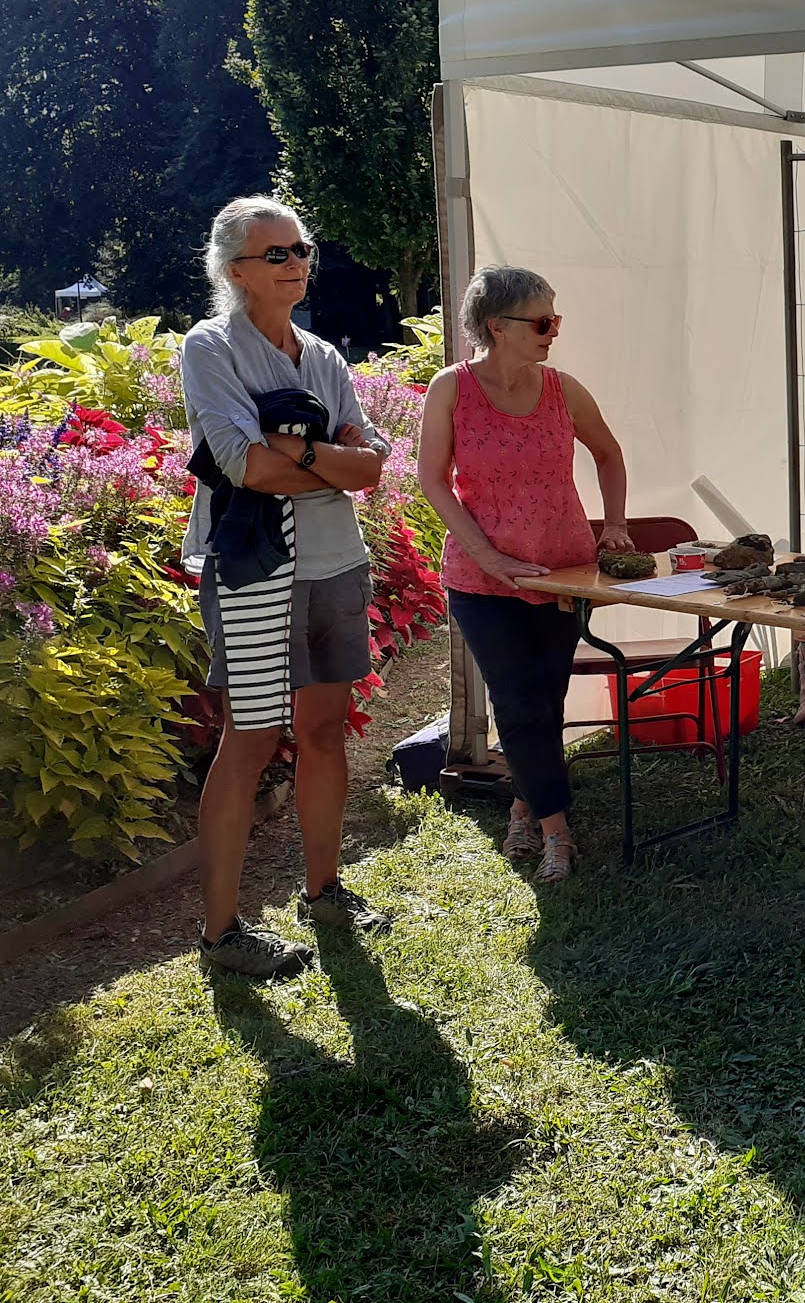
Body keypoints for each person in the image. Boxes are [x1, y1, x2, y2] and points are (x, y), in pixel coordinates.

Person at [181, 196, 393, 978]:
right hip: (254, 567)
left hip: (337, 559)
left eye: (301, 248)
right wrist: (317, 455)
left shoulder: (324, 357)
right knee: (250, 739)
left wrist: (289, 448)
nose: (297, 262)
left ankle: (325, 890)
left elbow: (369, 469)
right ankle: (222, 935)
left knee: (324, 731)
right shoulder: (211, 348)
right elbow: (243, 466)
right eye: (277, 254)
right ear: (235, 270)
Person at [418, 265, 634, 883]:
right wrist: (487, 555)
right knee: (516, 705)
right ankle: (557, 835)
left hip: (562, 572)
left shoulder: (564, 388)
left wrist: (613, 525)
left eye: (555, 319)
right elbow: (432, 479)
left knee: (545, 699)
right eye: (542, 321)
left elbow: (609, 452)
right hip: (481, 578)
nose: (553, 332)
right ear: (497, 326)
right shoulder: (451, 390)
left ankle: (523, 805)